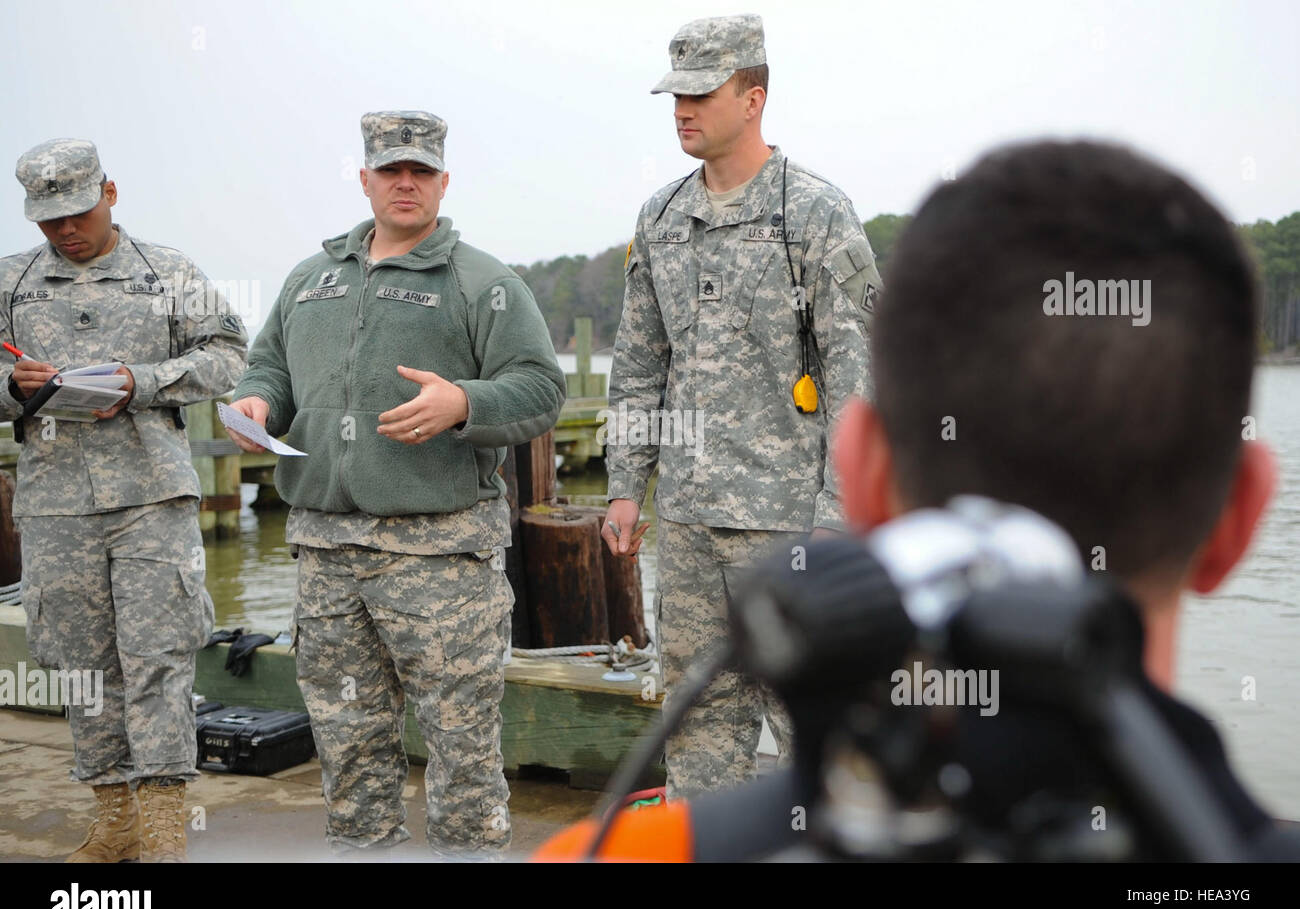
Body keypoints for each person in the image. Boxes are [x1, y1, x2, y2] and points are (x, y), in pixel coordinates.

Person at [539, 139, 1295, 862]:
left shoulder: (614, 856)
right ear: (1240, 517)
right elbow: (641, 360)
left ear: (864, 474)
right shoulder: (664, 217)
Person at [226, 111, 566, 857]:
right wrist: (256, 401)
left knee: (462, 753)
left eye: (420, 171)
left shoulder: (484, 282)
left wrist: (464, 404)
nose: (404, 182)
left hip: (439, 557)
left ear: (443, 182)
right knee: (347, 749)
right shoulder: (309, 280)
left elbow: (541, 388)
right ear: (365, 179)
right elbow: (269, 368)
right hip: (326, 553)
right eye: (390, 170)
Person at [602, 14, 880, 798]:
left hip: (791, 525)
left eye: (700, 92)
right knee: (698, 731)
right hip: (688, 527)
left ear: (753, 96)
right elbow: (637, 368)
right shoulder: (660, 218)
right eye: (674, 94)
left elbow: (862, 383)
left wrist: (837, 521)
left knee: (817, 732)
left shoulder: (818, 214)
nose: (682, 109)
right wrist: (627, 486)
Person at [0, 138, 248, 862]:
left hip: (150, 495)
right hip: (54, 505)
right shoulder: (10, 284)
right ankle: (114, 822)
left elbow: (229, 356)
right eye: (49, 221)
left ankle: (165, 830)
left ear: (110, 192)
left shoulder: (168, 271)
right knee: (80, 661)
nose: (66, 231)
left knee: (159, 658)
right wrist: (12, 388)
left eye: (77, 212)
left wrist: (141, 381)